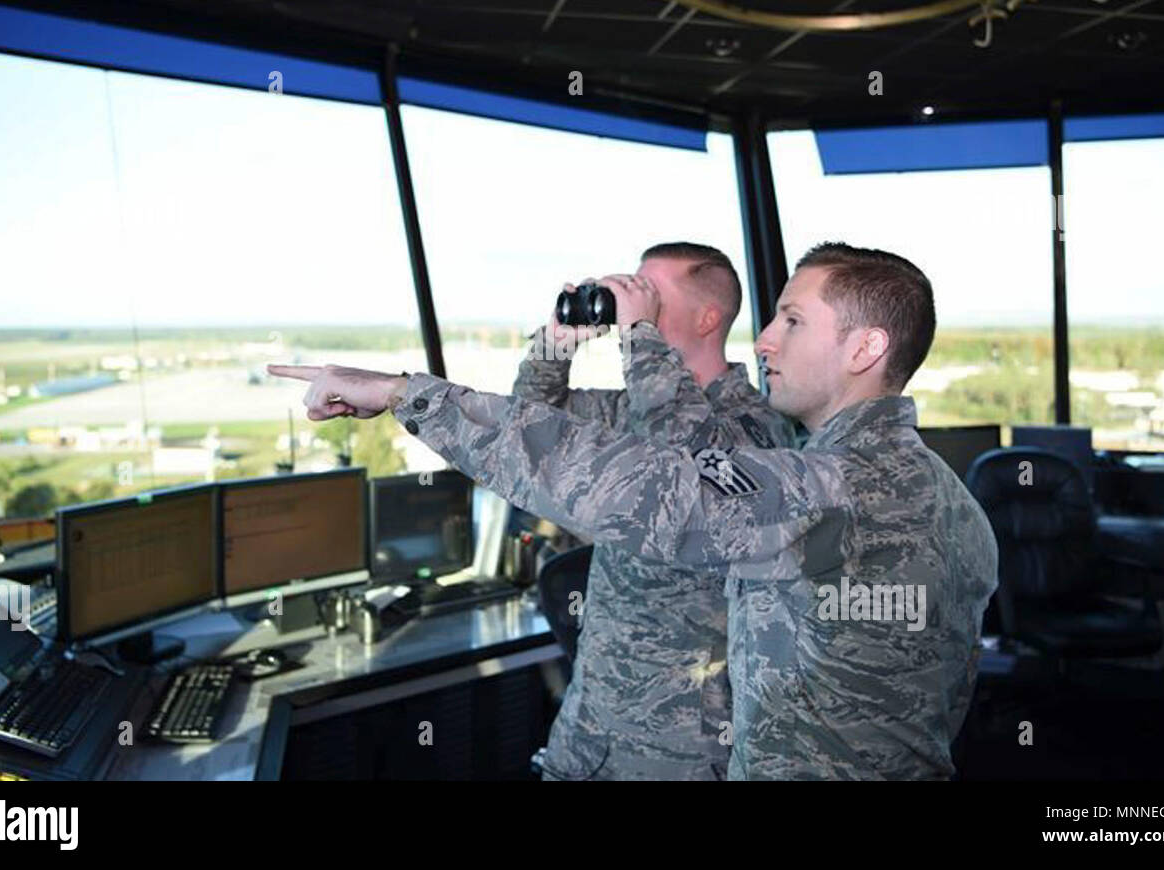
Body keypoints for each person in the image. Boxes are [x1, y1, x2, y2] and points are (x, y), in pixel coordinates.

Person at [268, 242, 998, 780]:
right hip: (605, 722)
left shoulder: (832, 482)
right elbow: (552, 437)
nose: (767, 339)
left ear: (866, 347)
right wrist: (556, 345)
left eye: (793, 321)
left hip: (682, 741)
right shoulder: (946, 498)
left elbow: (663, 485)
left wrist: (404, 392)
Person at [514, 242, 797, 780]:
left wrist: (640, 339)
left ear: (708, 317)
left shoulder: (757, 429)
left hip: (680, 743)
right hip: (590, 729)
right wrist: (557, 343)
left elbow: (684, 460)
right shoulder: (631, 410)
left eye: (651, 298)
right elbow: (531, 423)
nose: (633, 310)